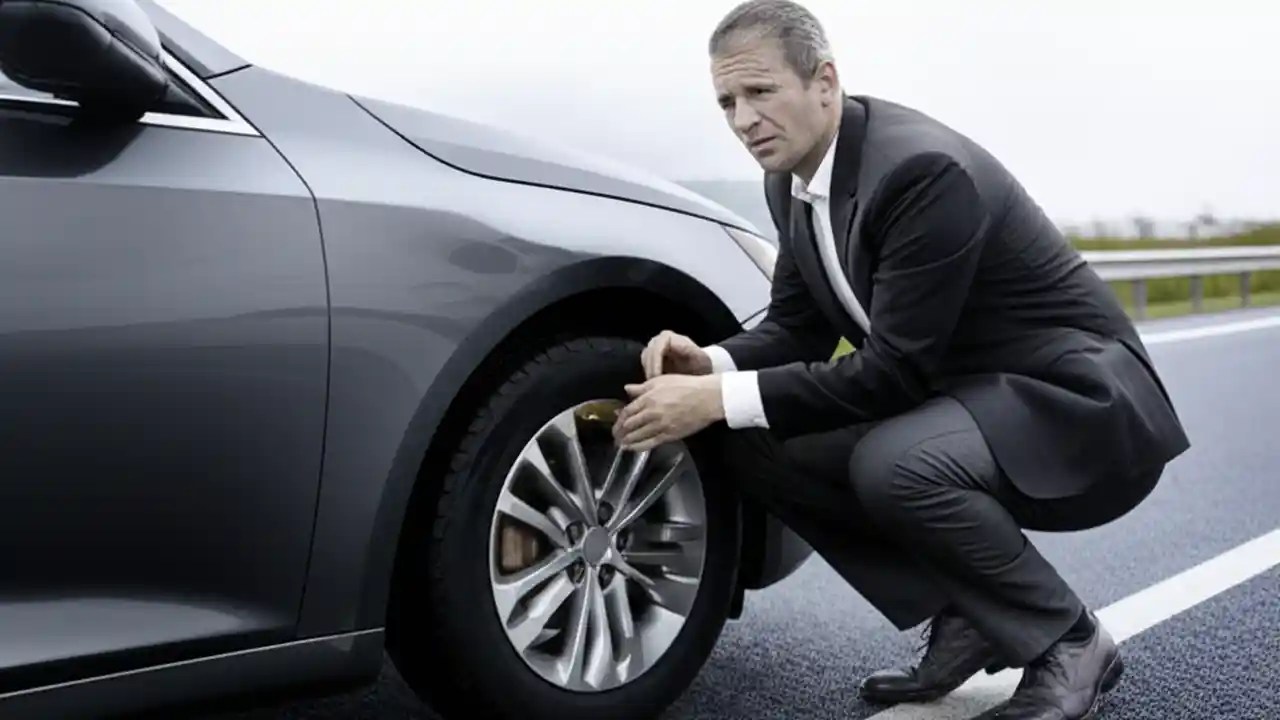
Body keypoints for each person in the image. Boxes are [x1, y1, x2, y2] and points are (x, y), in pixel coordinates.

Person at [612, 1, 1191, 718]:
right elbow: (798, 327)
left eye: (760, 92)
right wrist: (714, 365)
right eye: (727, 101)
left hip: (1075, 404)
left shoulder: (919, 171)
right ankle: (963, 618)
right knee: (748, 440)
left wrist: (719, 398)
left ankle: (1070, 641)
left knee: (895, 462)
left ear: (824, 81)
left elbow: (895, 373)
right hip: (967, 401)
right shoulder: (792, 178)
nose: (742, 118)